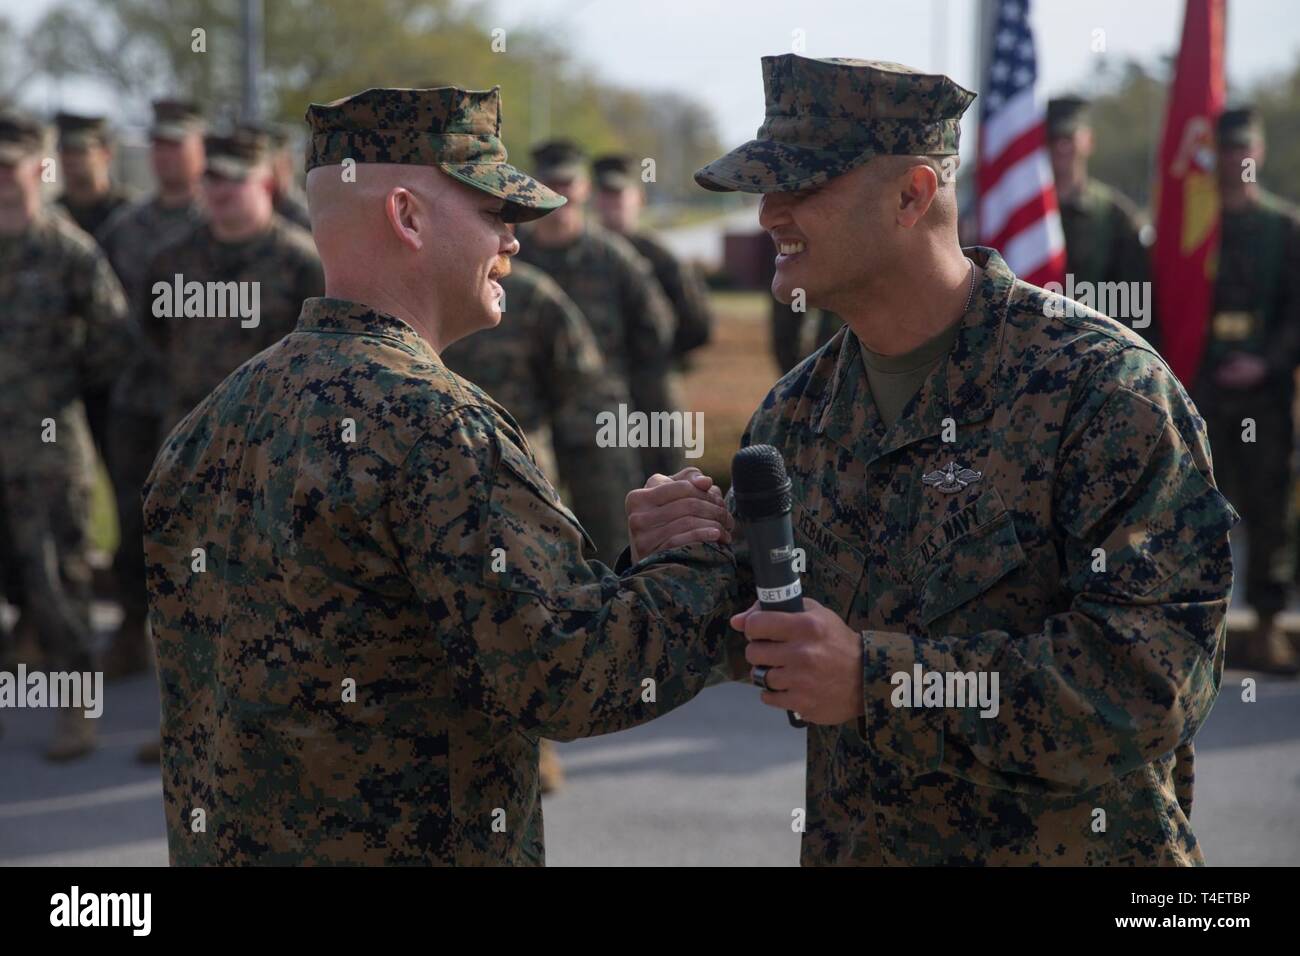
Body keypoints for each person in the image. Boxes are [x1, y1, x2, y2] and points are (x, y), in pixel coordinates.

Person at [631, 54, 1238, 866]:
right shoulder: (796, 413)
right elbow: (767, 637)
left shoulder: (1101, 390)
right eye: (764, 185)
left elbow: (1147, 686)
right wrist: (678, 554)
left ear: (913, 195)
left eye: (801, 185)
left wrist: (877, 681)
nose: (769, 210)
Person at [142, 85, 735, 865]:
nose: (515, 240)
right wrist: (702, 567)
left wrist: (632, 575)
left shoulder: (212, 421)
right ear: (408, 216)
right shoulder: (437, 425)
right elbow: (565, 673)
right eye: (494, 212)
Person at [0, 108, 137, 760]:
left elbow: (114, 338)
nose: (0, 182)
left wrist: (60, 390)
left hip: (46, 445)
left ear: (37, 171)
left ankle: (77, 707)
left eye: (9, 169)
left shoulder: (68, 251)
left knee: (61, 578)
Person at [96, 99, 208, 679]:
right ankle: (132, 626)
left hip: (198, 402)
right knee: (132, 512)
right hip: (137, 401)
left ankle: (193, 642)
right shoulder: (126, 229)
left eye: (177, 143)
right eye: (158, 145)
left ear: (199, 149)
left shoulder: (213, 223)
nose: (166, 155)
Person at [1189, 106, 1300, 676]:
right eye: (1229, 151)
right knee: (1202, 511)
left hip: (1264, 395)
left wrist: (1266, 364)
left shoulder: (1284, 229)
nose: (1239, 160)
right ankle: (1202, 629)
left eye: (1246, 149)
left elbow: (1295, 313)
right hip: (1204, 393)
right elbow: (1177, 312)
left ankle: (1265, 625)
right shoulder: (1196, 228)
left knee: (1267, 508)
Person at [516, 140, 680, 483]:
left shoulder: (615, 258)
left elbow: (655, 333)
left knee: (613, 532)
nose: (559, 194)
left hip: (603, 426)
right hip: (525, 425)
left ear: (584, 188)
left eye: (568, 184)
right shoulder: (513, 254)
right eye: (550, 183)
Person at [142, 126, 323, 437]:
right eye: (212, 178)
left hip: (274, 434)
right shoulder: (171, 261)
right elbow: (153, 335)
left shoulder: (303, 262)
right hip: (190, 434)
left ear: (266, 183)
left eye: (236, 179)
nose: (220, 190)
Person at [591, 152, 714, 367]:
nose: (612, 203)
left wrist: (659, 356)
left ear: (639, 198)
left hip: (649, 377)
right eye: (605, 193)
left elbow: (698, 323)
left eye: (618, 193)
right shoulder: (583, 252)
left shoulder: (659, 256)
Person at [1046, 96, 1153, 341]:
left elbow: (1136, 306)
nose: (1062, 148)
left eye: (1069, 139)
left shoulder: (1117, 216)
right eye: (1054, 139)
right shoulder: (1025, 217)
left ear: (1088, 141)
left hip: (1097, 352)